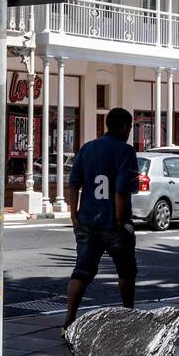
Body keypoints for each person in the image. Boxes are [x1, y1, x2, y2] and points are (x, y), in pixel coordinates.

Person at [62, 107, 139, 329]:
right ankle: (129, 314)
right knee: (126, 271)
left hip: (87, 220)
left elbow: (74, 182)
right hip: (113, 223)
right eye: (130, 127)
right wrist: (119, 220)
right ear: (124, 127)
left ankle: (69, 320)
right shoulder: (125, 151)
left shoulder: (87, 148)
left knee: (81, 272)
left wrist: (73, 214)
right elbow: (121, 190)